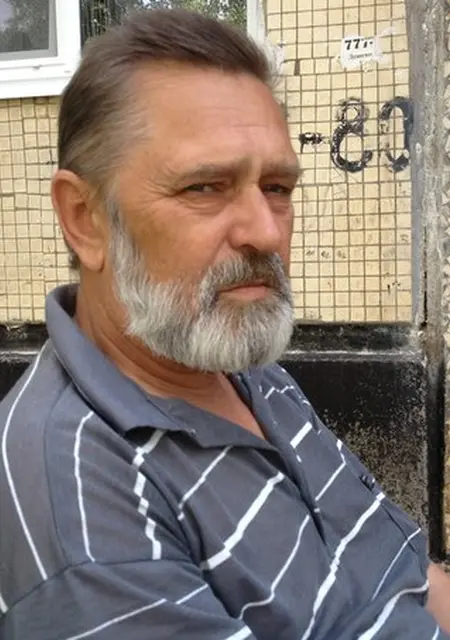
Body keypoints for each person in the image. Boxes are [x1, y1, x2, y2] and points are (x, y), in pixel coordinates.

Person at [0, 9, 449, 640]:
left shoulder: (246, 370)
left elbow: (410, 575)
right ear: (84, 218)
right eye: (205, 187)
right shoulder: (78, 496)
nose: (266, 232)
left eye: (278, 187)